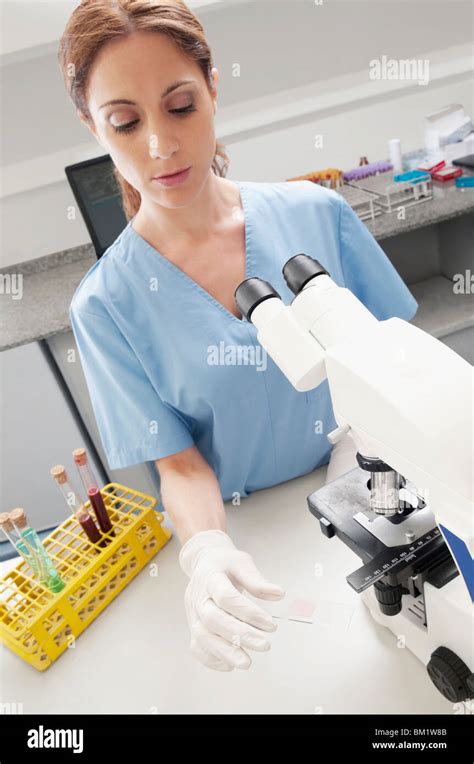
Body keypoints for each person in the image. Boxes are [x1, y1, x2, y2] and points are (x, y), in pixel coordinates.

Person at [59, 0, 418, 672]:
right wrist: (207, 556)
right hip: (251, 537)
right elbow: (180, 464)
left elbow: (392, 363)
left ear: (214, 89)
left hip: (373, 495)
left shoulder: (317, 214)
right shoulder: (106, 305)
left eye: (181, 106)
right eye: (126, 123)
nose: (160, 146)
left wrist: (363, 452)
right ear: (93, 126)